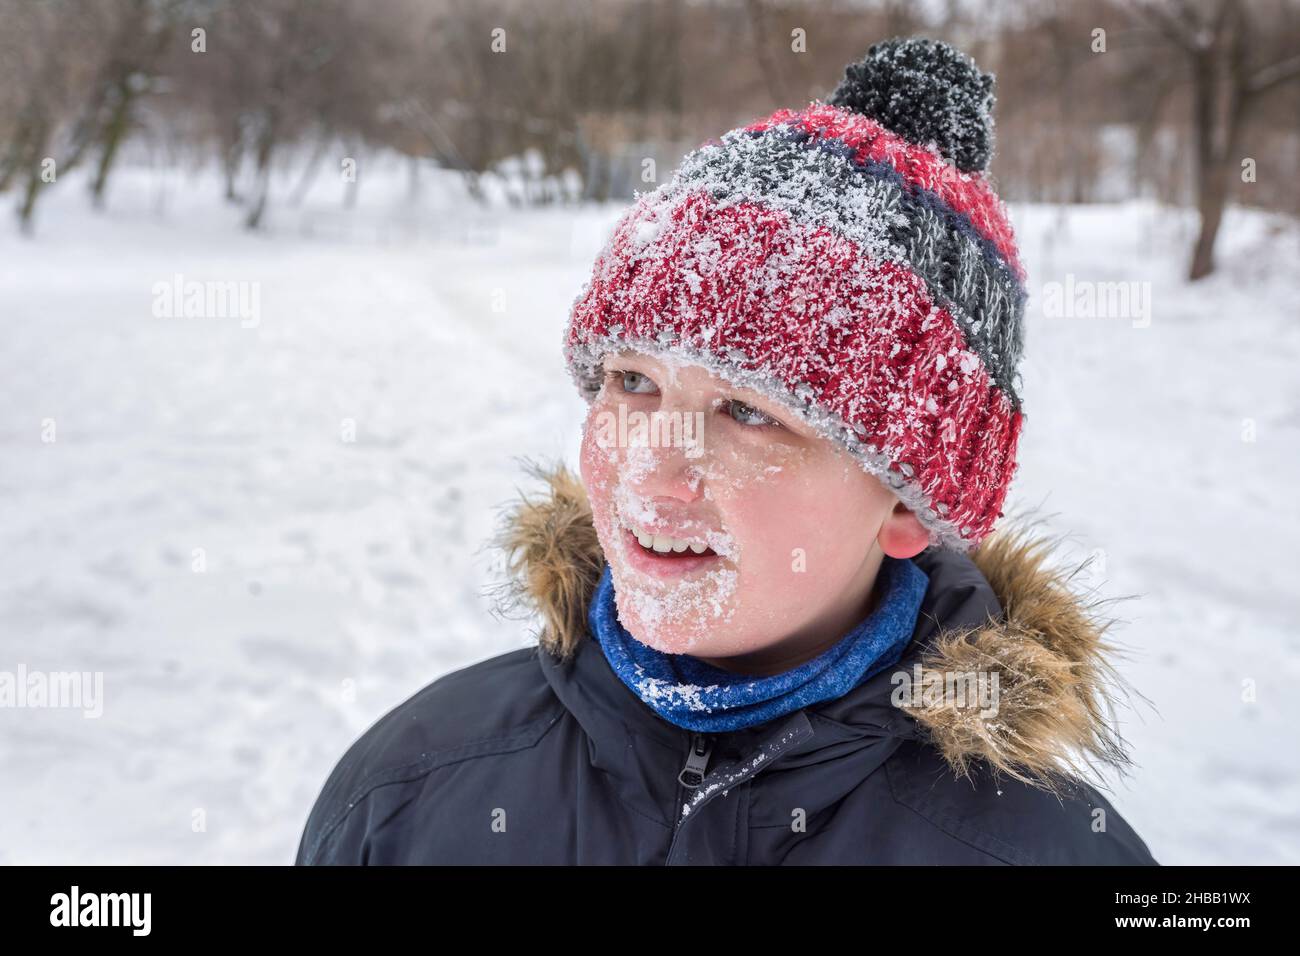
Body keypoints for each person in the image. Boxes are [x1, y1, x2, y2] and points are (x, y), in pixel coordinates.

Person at [295, 36, 1158, 866]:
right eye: (632, 383)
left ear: (908, 505)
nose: (648, 466)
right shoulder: (413, 793)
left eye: (748, 412)